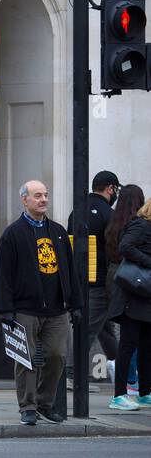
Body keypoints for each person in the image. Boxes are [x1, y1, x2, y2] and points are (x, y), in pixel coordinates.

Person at [0, 180, 79, 426]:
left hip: (56, 309)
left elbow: (70, 269)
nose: (43, 199)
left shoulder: (59, 231)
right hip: (24, 309)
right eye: (37, 195)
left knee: (57, 356)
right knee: (26, 359)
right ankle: (28, 407)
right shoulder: (13, 234)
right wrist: (5, 310)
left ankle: (45, 402)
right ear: (25, 199)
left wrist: (75, 304)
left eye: (45, 195)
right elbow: (3, 274)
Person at [67, 170, 120, 385]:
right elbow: (113, 249)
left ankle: (125, 372)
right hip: (100, 282)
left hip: (80, 280)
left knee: (105, 328)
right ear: (110, 188)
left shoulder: (77, 210)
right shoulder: (109, 214)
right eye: (115, 189)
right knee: (87, 329)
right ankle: (71, 374)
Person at [106, 190, 151, 410]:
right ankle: (119, 395)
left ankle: (144, 392)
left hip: (146, 296)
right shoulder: (141, 225)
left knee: (146, 346)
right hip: (132, 295)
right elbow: (124, 247)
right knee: (128, 345)